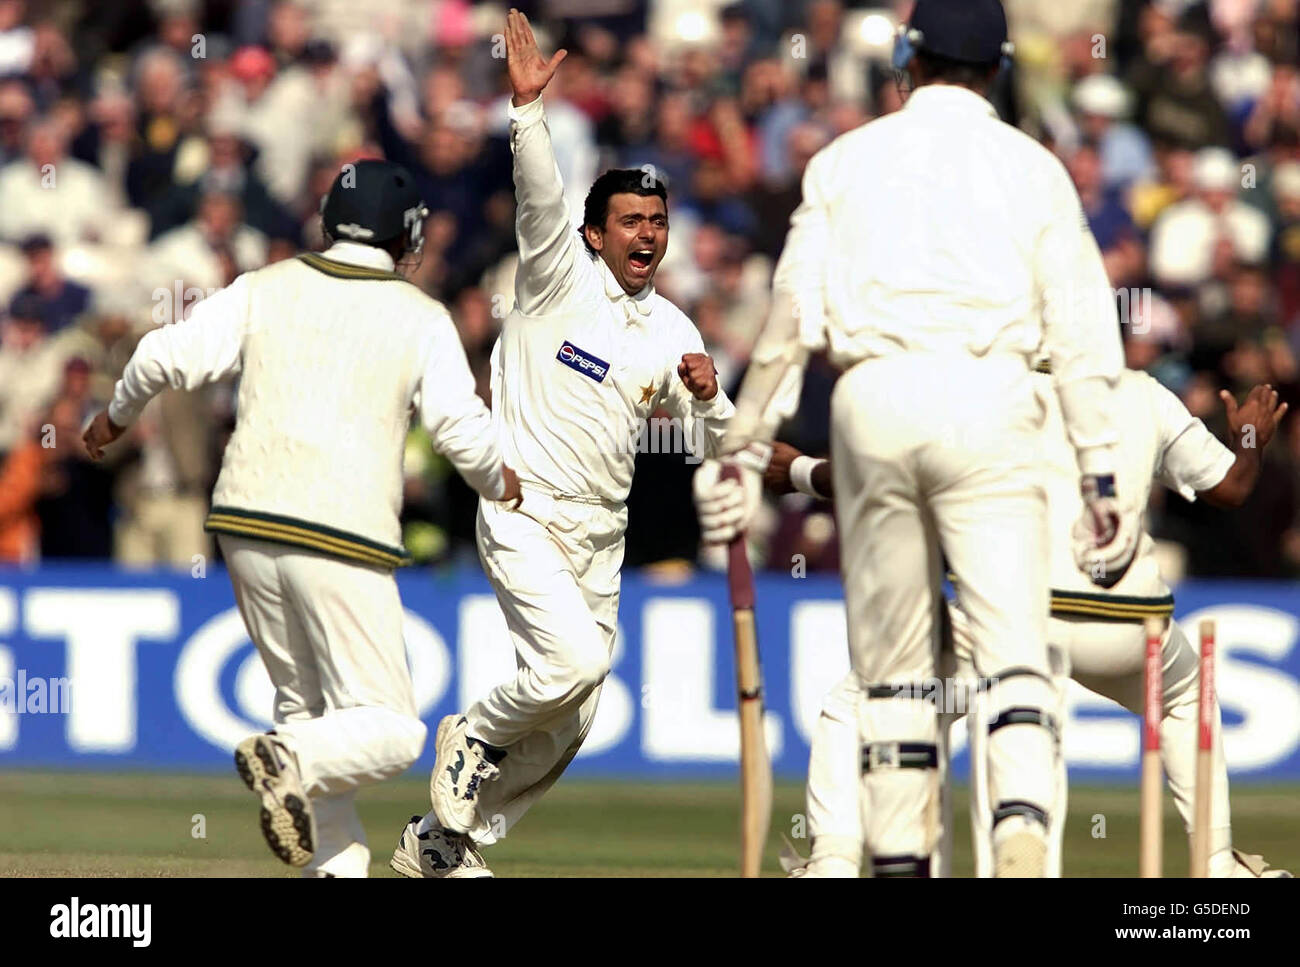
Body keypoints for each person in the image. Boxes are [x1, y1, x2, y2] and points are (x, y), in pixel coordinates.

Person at [692, 0, 1136, 877]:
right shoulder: (1035, 167)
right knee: (1012, 650)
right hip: (992, 397)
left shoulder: (844, 159)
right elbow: (1086, 338)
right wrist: (1103, 476)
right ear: (999, 69)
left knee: (892, 669)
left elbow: (788, 324)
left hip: (873, 399)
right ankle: (1015, 821)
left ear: (907, 59)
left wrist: (743, 448)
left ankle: (896, 855)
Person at [83, 159, 520, 878]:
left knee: (313, 717)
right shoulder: (419, 314)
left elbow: (163, 352)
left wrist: (114, 416)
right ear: (402, 235)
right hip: (341, 531)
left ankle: (324, 838)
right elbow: (459, 428)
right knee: (390, 730)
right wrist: (503, 480)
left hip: (245, 523)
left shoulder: (267, 285)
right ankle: (285, 757)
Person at [391, 9, 734, 879]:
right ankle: (471, 731)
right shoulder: (554, 275)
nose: (647, 234)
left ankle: (441, 842)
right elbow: (541, 193)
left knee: (576, 711)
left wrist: (710, 397)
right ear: (594, 232)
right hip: (524, 508)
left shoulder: (672, 325)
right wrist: (527, 114)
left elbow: (715, 436)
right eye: (629, 220)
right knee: (569, 663)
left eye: (657, 220)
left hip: (601, 533)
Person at [731, 375, 1291, 878]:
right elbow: (1232, 487)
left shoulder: (977, 391)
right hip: (1129, 625)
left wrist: (798, 471)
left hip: (1007, 617)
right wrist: (1250, 438)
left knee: (860, 701)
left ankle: (832, 863)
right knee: (1188, 699)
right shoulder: (1143, 392)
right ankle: (1219, 864)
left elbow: (881, 478)